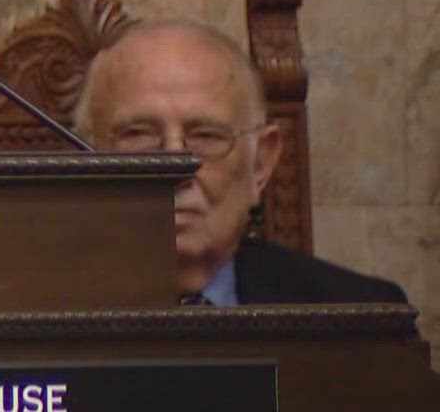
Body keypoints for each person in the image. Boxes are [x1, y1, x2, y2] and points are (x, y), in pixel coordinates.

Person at [74, 19, 406, 305]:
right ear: (86, 162)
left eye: (206, 136)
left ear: (260, 165)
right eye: (138, 135)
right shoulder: (27, 316)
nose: (175, 165)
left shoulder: (362, 319)